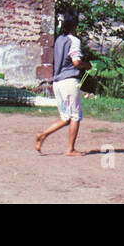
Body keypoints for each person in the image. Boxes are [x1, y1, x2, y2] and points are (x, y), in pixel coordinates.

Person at [35, 13, 86, 156]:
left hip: (57, 82)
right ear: (75, 25)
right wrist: (86, 65)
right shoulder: (74, 40)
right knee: (75, 116)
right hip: (69, 81)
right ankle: (70, 149)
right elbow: (76, 62)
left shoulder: (59, 40)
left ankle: (43, 134)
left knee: (66, 117)